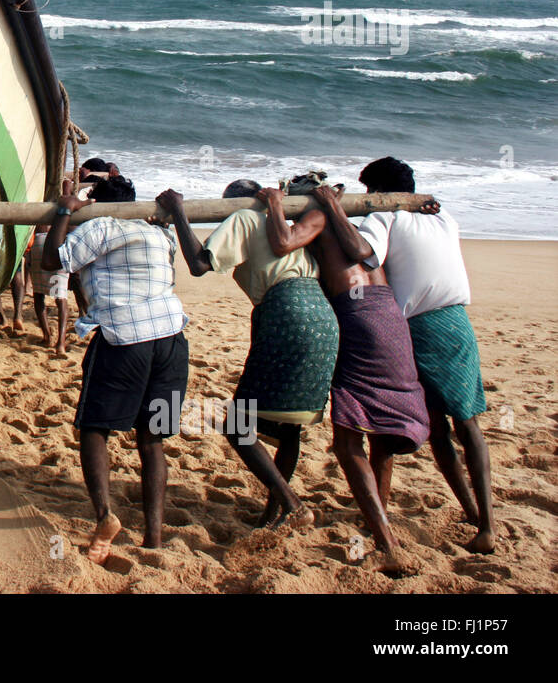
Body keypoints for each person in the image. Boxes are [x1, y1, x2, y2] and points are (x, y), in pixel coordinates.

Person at [314, 156, 495, 554]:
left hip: (416, 325)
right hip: (457, 321)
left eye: (369, 193)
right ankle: (481, 519)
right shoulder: (443, 217)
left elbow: (362, 251)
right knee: (464, 424)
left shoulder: (387, 216)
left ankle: (475, 520)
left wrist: (331, 206)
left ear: (379, 193)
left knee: (423, 426)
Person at [259, 175, 430, 572]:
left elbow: (282, 243)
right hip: (389, 315)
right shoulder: (356, 219)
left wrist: (272, 203)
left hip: (359, 318)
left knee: (348, 441)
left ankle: (387, 544)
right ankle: (378, 522)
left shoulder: (318, 215)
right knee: (383, 432)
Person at [157, 180, 337, 529]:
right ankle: (274, 512)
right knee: (289, 428)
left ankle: (291, 503)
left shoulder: (243, 218)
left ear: (231, 203)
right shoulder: (284, 220)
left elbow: (198, 264)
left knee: (238, 426)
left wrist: (179, 210)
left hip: (286, 315)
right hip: (322, 318)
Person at [41, 176, 189, 561]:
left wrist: (64, 210)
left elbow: (51, 260)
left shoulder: (100, 226)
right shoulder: (158, 233)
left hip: (124, 336)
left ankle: (106, 515)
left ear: (99, 204)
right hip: (171, 337)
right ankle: (153, 537)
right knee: (152, 437)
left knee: (93, 427)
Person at [28, 224, 70, 354]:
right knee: (61, 298)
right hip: (59, 243)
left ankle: (46, 336)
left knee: (38, 294)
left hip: (39, 241)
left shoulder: (39, 204)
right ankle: (61, 343)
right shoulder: (66, 205)